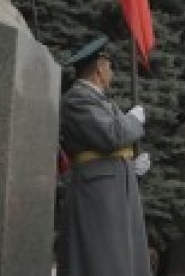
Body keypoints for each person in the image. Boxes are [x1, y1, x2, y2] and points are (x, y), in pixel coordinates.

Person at [58, 35, 152, 276]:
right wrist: (134, 119)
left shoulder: (99, 100)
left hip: (113, 188)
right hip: (98, 193)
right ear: (99, 67)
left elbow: (109, 148)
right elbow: (110, 135)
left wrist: (131, 167)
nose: (112, 72)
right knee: (103, 260)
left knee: (121, 259)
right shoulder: (77, 98)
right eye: (110, 66)